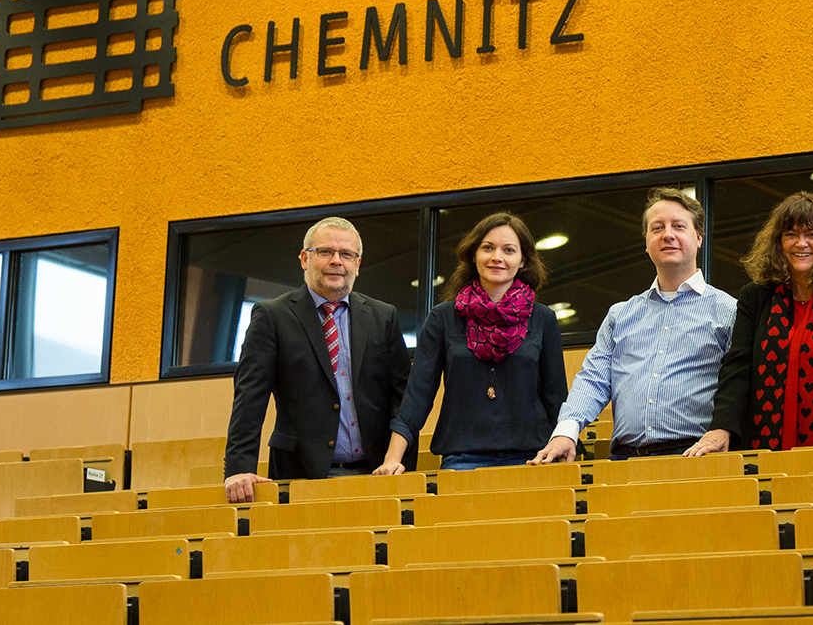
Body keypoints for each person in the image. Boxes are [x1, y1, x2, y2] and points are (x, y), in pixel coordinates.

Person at [530, 187, 737, 463]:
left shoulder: (728, 311)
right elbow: (593, 380)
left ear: (699, 237)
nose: (668, 235)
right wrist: (566, 433)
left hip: (695, 458)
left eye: (678, 226)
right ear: (646, 242)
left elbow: (738, 386)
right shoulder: (620, 315)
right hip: (624, 462)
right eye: (657, 228)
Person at [224, 217, 412, 501]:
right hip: (300, 474)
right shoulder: (272, 316)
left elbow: (403, 400)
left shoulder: (383, 316)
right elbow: (249, 399)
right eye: (325, 252)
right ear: (304, 259)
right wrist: (239, 468)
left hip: (378, 475)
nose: (337, 261)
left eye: (346, 254)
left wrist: (400, 461)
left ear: (357, 264)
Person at [373, 212, 567, 473]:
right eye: (487, 248)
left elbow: (556, 398)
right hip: (461, 460)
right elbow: (417, 396)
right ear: (473, 255)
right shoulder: (442, 318)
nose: (497, 257)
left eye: (509, 250)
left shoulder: (543, 319)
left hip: (532, 460)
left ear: (523, 261)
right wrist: (392, 458)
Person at [689, 192, 813, 454]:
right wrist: (722, 426)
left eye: (812, 234)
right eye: (791, 234)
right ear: (778, 243)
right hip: (766, 450)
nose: (801, 243)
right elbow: (737, 367)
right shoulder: (756, 296)